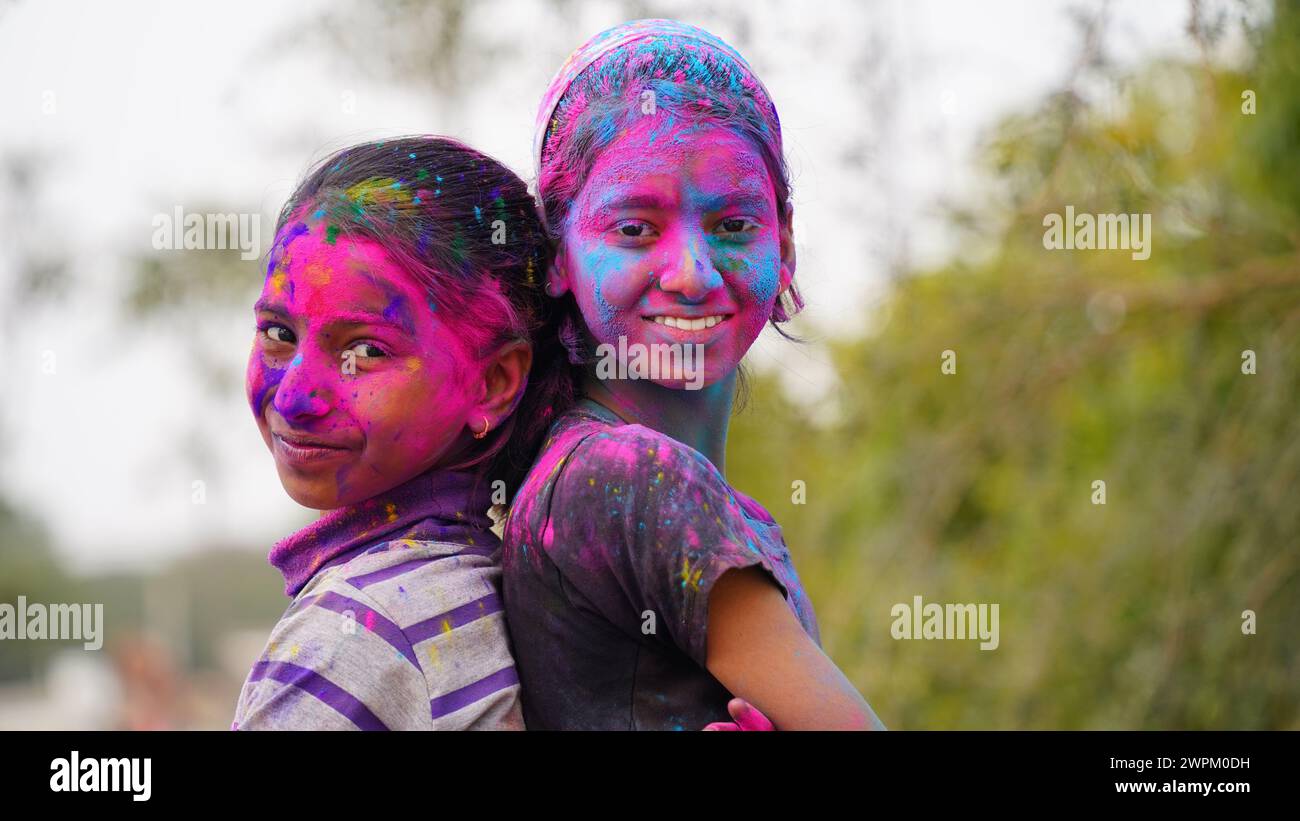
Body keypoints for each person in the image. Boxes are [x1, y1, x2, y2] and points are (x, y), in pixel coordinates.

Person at [502, 19, 886, 730]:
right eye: (635, 229)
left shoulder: (716, 508)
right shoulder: (625, 474)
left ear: (785, 243)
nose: (693, 274)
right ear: (557, 251)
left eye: (735, 225)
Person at [232, 136, 570, 730]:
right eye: (279, 333)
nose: (294, 397)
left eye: (366, 350)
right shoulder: (491, 585)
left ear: (492, 383)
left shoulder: (346, 640)